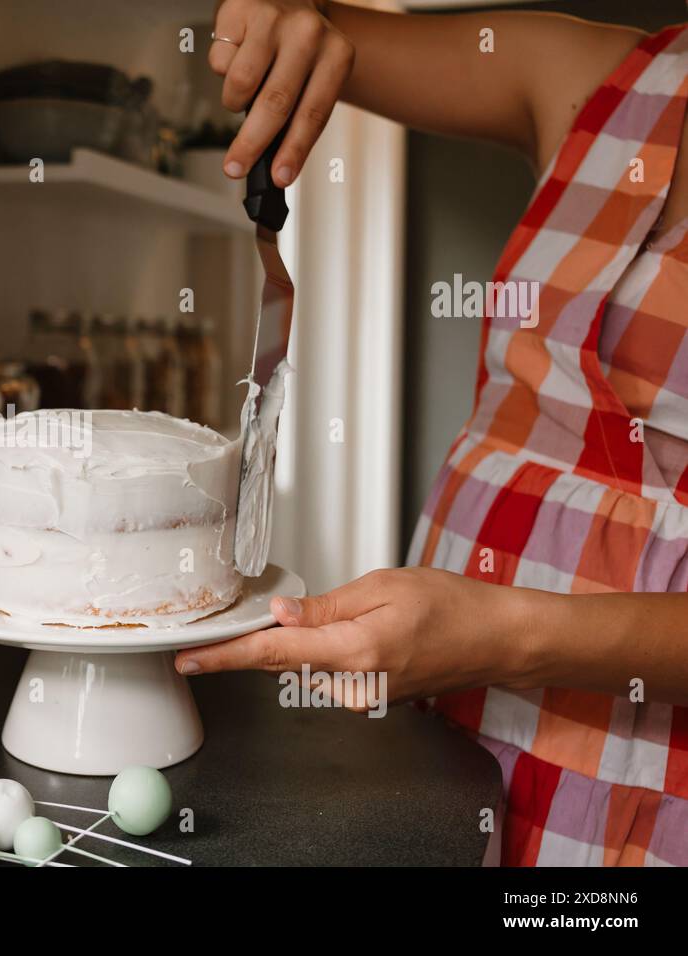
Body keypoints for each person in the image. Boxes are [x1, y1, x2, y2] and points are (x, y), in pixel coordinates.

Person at [174, 1, 688, 866]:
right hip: (453, 715)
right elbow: (318, 29)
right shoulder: (599, 76)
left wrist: (507, 636)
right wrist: (282, 12)